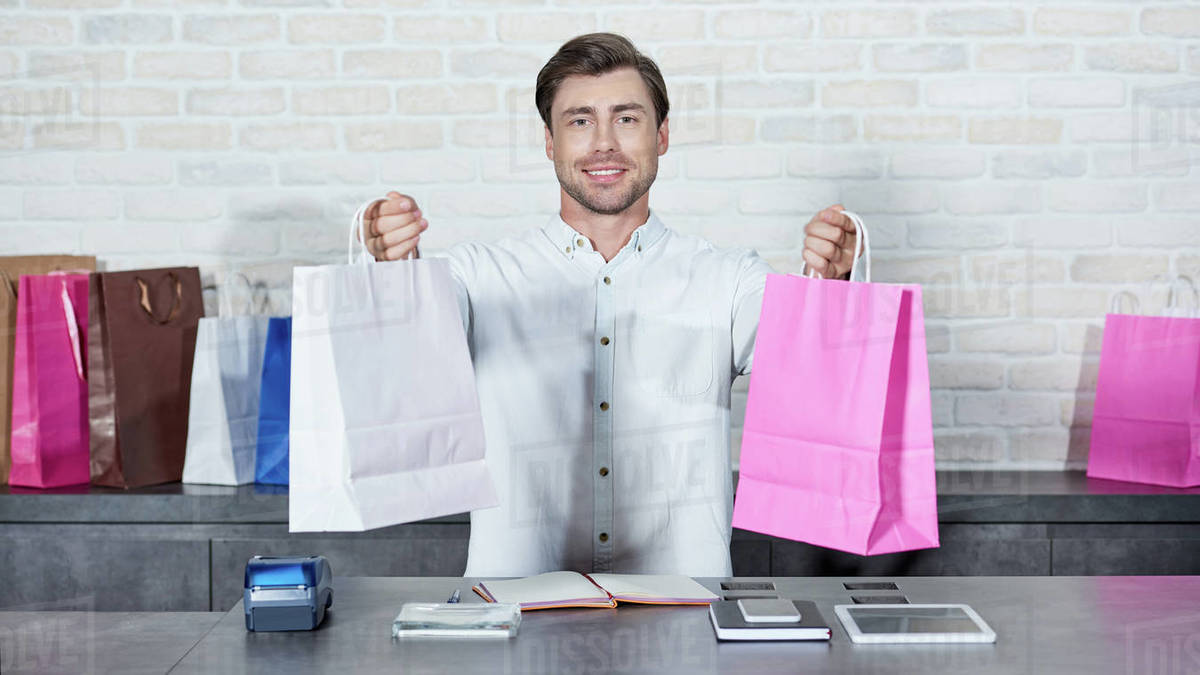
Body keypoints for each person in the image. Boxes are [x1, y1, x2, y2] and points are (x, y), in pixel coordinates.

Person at [357, 33, 862, 577]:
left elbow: (808, 374)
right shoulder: (478, 277)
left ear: (661, 135)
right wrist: (393, 269)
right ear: (549, 142)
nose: (604, 144)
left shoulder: (729, 278)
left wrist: (829, 286)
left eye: (626, 119)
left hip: (684, 619)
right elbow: (410, 355)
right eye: (579, 121)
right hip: (516, 616)